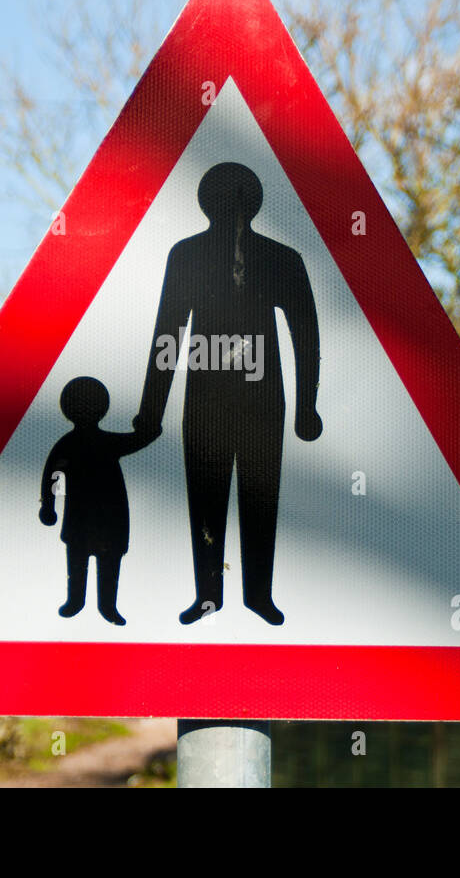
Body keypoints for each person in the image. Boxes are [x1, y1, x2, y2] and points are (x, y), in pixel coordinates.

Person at [133, 162, 321, 626]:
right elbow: (168, 335)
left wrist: (307, 406)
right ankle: (208, 595)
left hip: (261, 403)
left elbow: (305, 335)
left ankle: (258, 595)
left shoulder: (281, 258)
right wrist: (150, 410)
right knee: (207, 499)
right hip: (205, 403)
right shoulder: (187, 256)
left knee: (261, 496)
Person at [40, 376, 154, 625]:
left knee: (108, 561)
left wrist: (149, 429)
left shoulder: (100, 442)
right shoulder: (71, 445)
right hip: (83, 518)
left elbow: (138, 441)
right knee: (79, 560)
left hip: (108, 518)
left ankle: (107, 606)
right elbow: (55, 476)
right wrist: (49, 506)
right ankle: (76, 601)